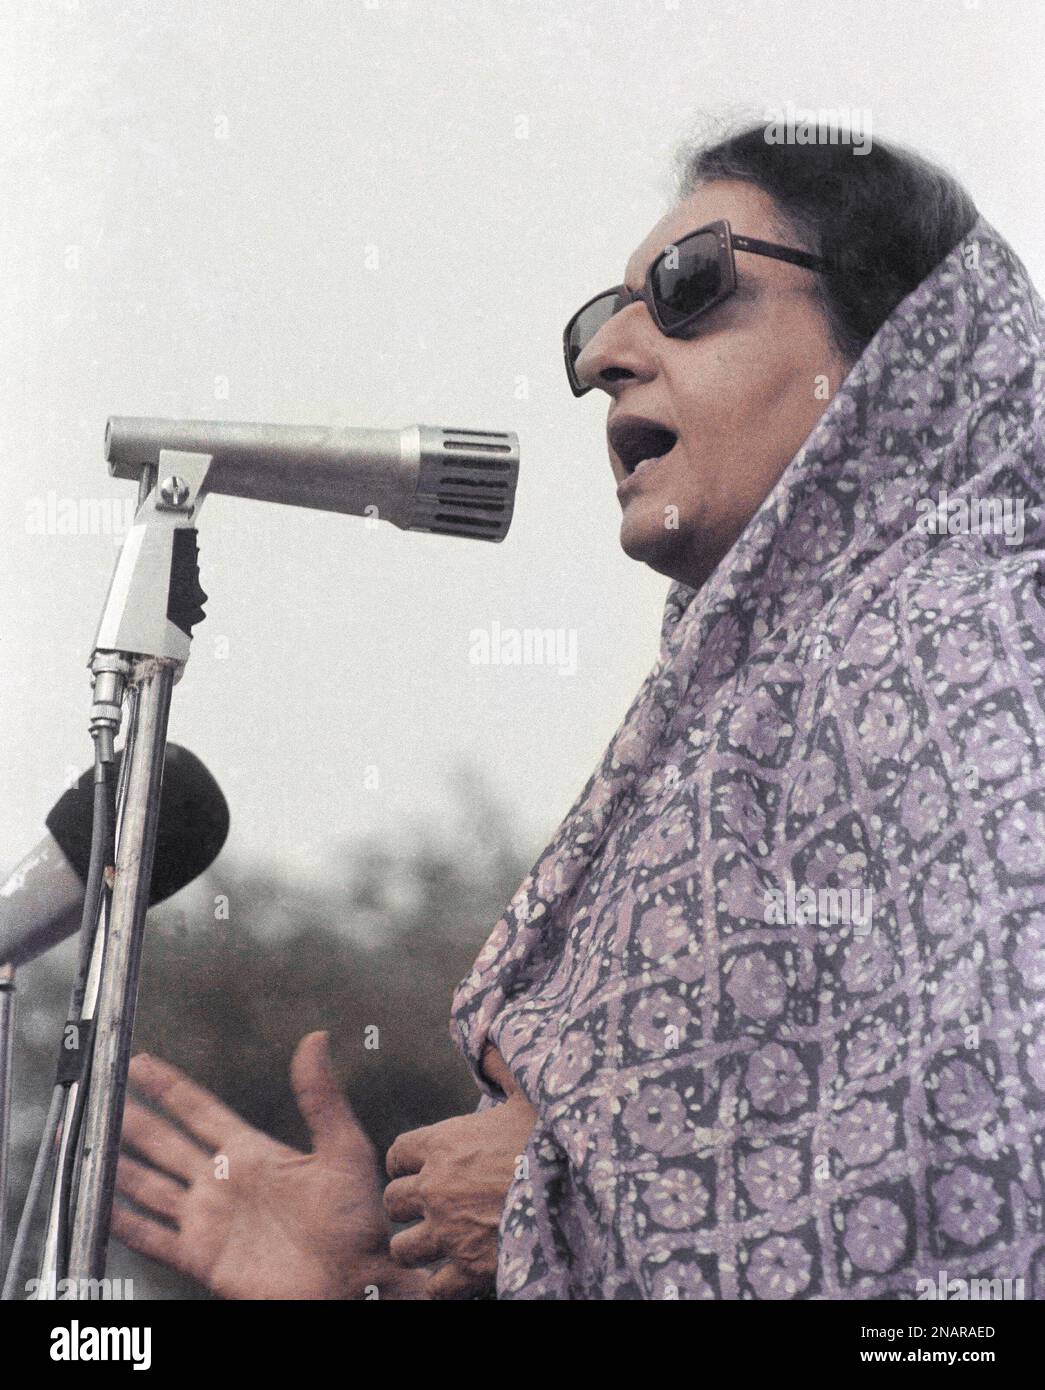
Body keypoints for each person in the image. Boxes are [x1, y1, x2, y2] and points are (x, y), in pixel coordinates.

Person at [114, 122, 1045, 1300]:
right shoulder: (765, 711)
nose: (605, 353)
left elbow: (990, 1183)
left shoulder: (960, 643)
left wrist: (557, 1208)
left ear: (904, 353)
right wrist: (373, 1287)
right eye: (602, 316)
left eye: (686, 286)